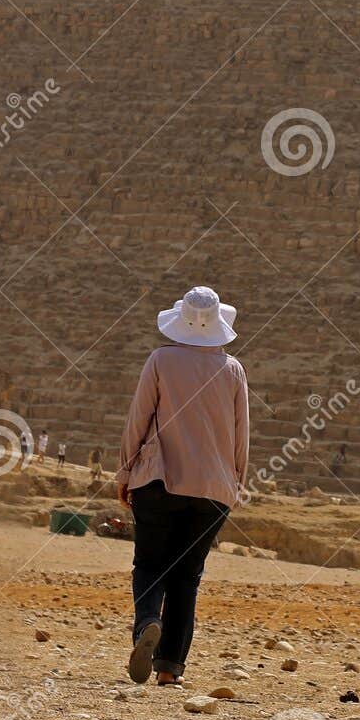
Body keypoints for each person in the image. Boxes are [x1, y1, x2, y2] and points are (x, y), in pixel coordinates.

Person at [117, 286, 249, 688]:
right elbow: (241, 435)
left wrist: (124, 473)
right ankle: (170, 668)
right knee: (186, 577)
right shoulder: (233, 370)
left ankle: (147, 624)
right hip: (213, 490)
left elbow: (138, 419)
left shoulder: (161, 360)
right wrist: (235, 484)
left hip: (159, 481)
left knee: (151, 564)